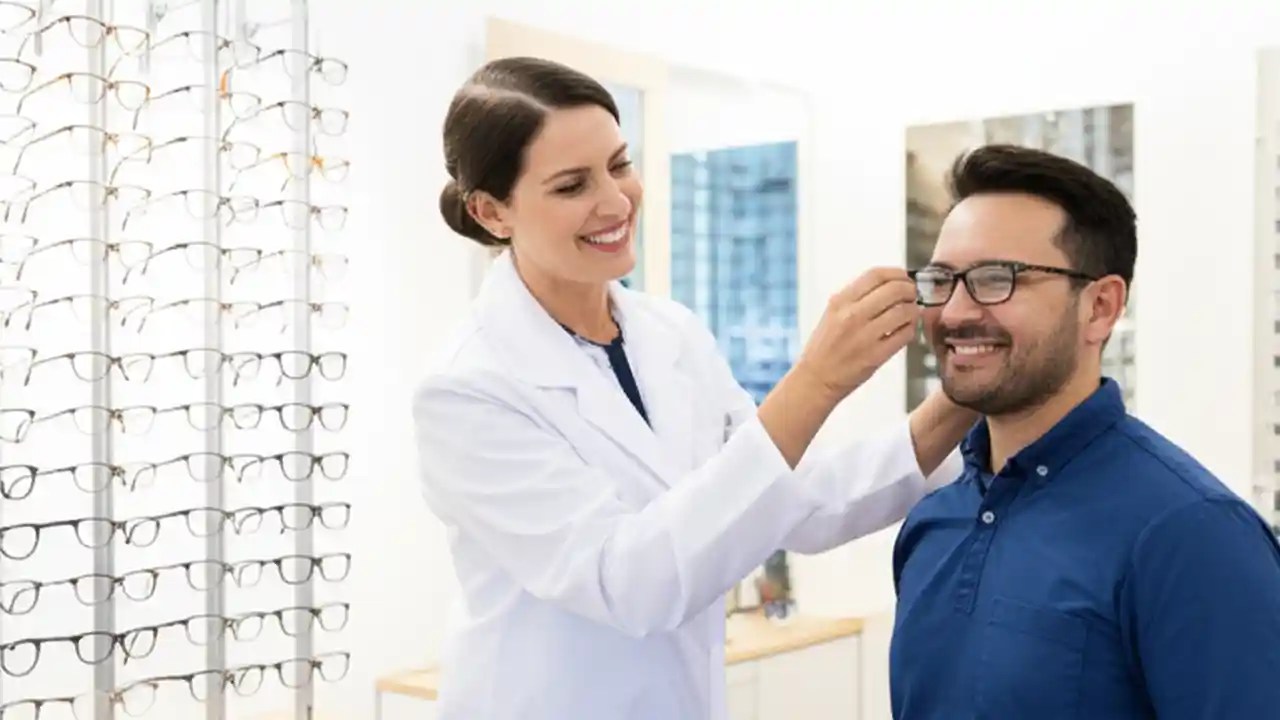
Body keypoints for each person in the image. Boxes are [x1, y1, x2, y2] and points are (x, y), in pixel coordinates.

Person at [412, 56, 976, 720]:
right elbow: (631, 584)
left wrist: (962, 400)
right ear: (491, 211)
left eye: (619, 165)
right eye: (572, 185)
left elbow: (793, 501)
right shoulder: (468, 390)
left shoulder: (668, 333)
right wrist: (816, 381)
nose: (616, 201)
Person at [889, 144, 1280, 719]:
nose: (953, 313)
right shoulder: (933, 520)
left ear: (1100, 307)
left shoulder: (1191, 535)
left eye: (997, 279)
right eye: (942, 280)